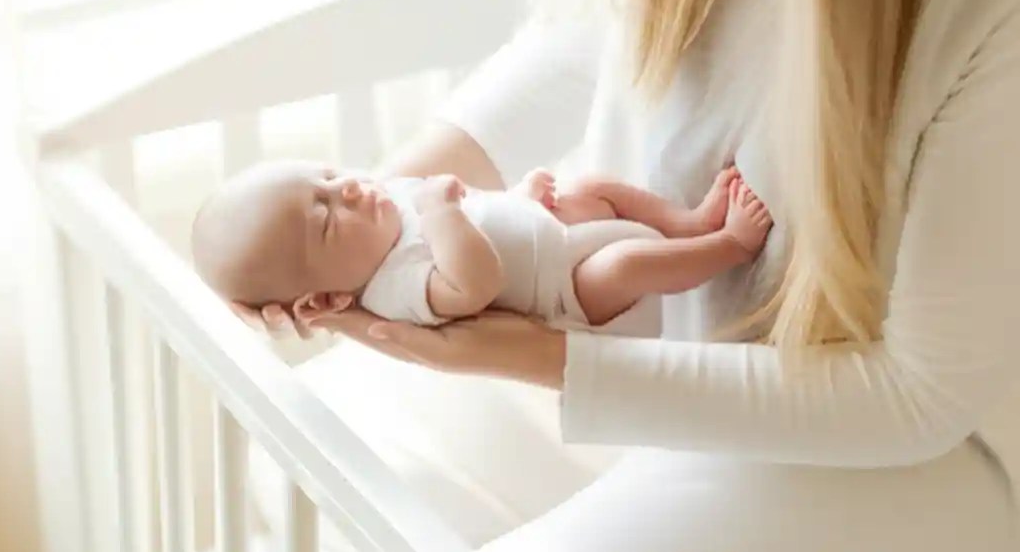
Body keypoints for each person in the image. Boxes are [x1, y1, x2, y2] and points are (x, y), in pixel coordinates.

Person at [239, 0, 1020, 552]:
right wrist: (348, 227)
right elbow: (577, 46)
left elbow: (918, 398)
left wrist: (546, 360)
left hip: (905, 454)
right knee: (297, 467)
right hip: (656, 363)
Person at [194, 160, 769, 329]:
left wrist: (522, 196)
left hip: (555, 231)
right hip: (568, 292)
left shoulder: (390, 201)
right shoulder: (393, 288)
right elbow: (475, 284)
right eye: (324, 216)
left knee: (591, 186)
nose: (344, 188)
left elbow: (486, 212)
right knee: (627, 264)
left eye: (325, 177)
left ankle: (689, 222)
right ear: (329, 297)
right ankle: (728, 246)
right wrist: (441, 213)